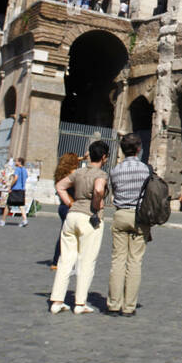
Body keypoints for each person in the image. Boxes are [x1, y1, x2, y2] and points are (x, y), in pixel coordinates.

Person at [50, 140, 110, 314]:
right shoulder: (101, 174)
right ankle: (80, 303)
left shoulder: (78, 172)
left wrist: (70, 203)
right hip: (89, 218)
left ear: (90, 155)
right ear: (104, 157)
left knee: (65, 260)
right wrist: (97, 204)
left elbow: (60, 186)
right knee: (86, 261)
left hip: (72, 216)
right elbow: (99, 190)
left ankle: (57, 301)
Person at [107, 133, 153, 316]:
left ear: (122, 150)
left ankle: (113, 304)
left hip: (120, 215)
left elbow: (113, 191)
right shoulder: (145, 170)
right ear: (139, 149)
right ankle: (129, 307)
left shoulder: (115, 170)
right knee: (135, 262)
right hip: (139, 217)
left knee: (118, 260)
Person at [49, 152, 82, 270]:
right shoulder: (73, 174)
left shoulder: (61, 173)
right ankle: (67, 260)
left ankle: (55, 261)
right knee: (74, 236)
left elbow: (69, 161)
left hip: (62, 206)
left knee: (63, 234)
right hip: (70, 206)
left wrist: (79, 158)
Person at [0, 157, 30, 227]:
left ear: (19, 162)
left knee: (8, 205)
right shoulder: (24, 170)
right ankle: (25, 219)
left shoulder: (17, 169)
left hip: (15, 189)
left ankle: (2, 221)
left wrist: (11, 185)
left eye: (16, 161)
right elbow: (26, 177)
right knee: (21, 205)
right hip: (22, 189)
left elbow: (16, 178)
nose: (15, 162)